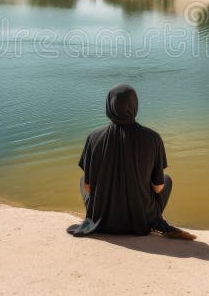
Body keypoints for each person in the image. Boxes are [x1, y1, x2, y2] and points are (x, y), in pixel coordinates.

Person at [66, 83, 196, 240]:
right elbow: (158, 188)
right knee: (166, 180)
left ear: (109, 105)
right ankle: (155, 220)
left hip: (103, 221)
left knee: (82, 180)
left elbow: (87, 188)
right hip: (141, 221)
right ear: (135, 105)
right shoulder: (153, 138)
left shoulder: (93, 138)